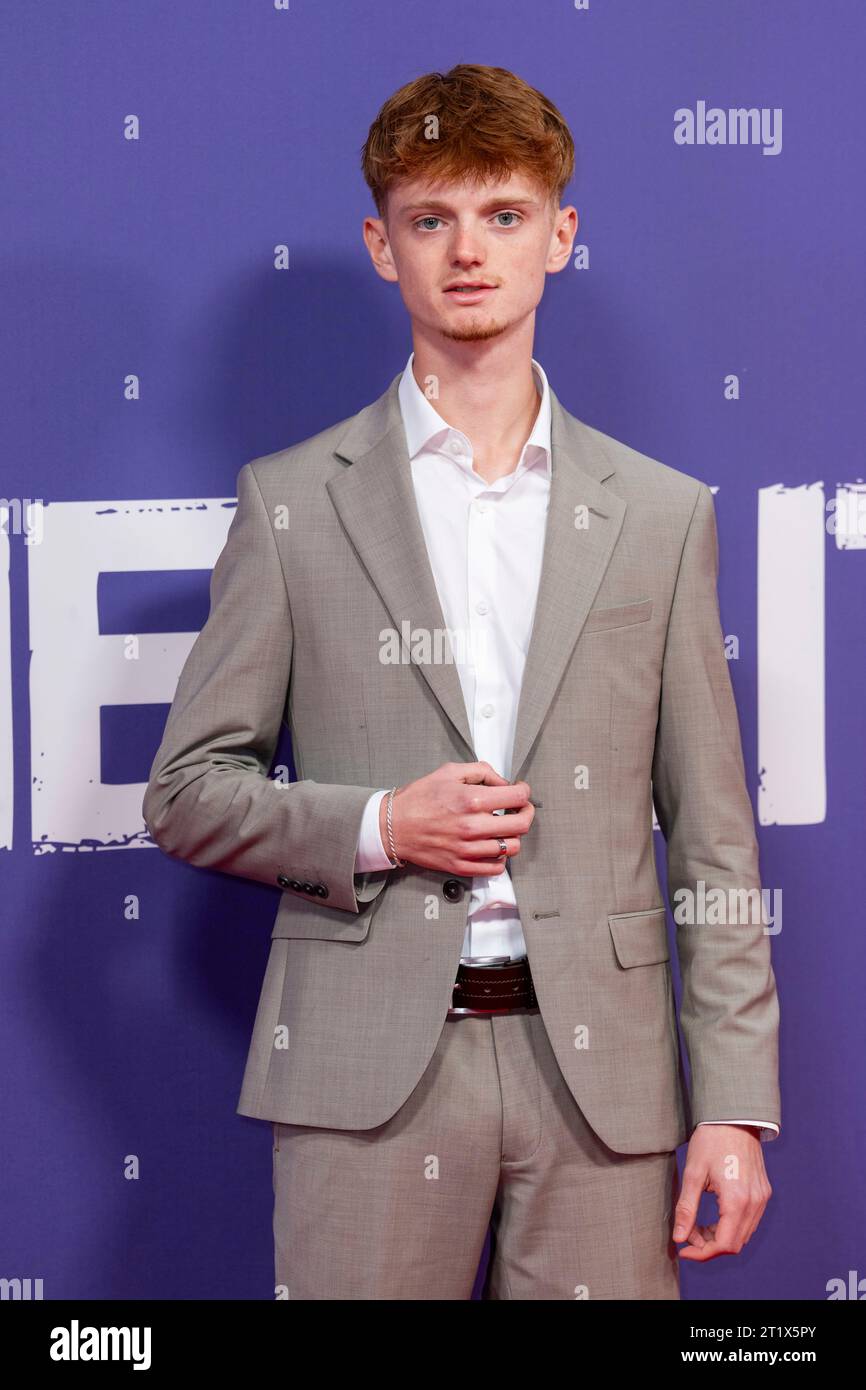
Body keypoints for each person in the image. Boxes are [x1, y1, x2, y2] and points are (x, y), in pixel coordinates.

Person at [143, 63, 780, 1300]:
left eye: (502, 215)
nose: (468, 253)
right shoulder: (291, 504)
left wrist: (736, 1105)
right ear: (382, 246)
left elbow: (712, 839)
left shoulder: (657, 513)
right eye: (431, 220)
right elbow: (185, 792)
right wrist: (380, 825)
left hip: (600, 1080)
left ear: (560, 235)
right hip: (364, 1074)